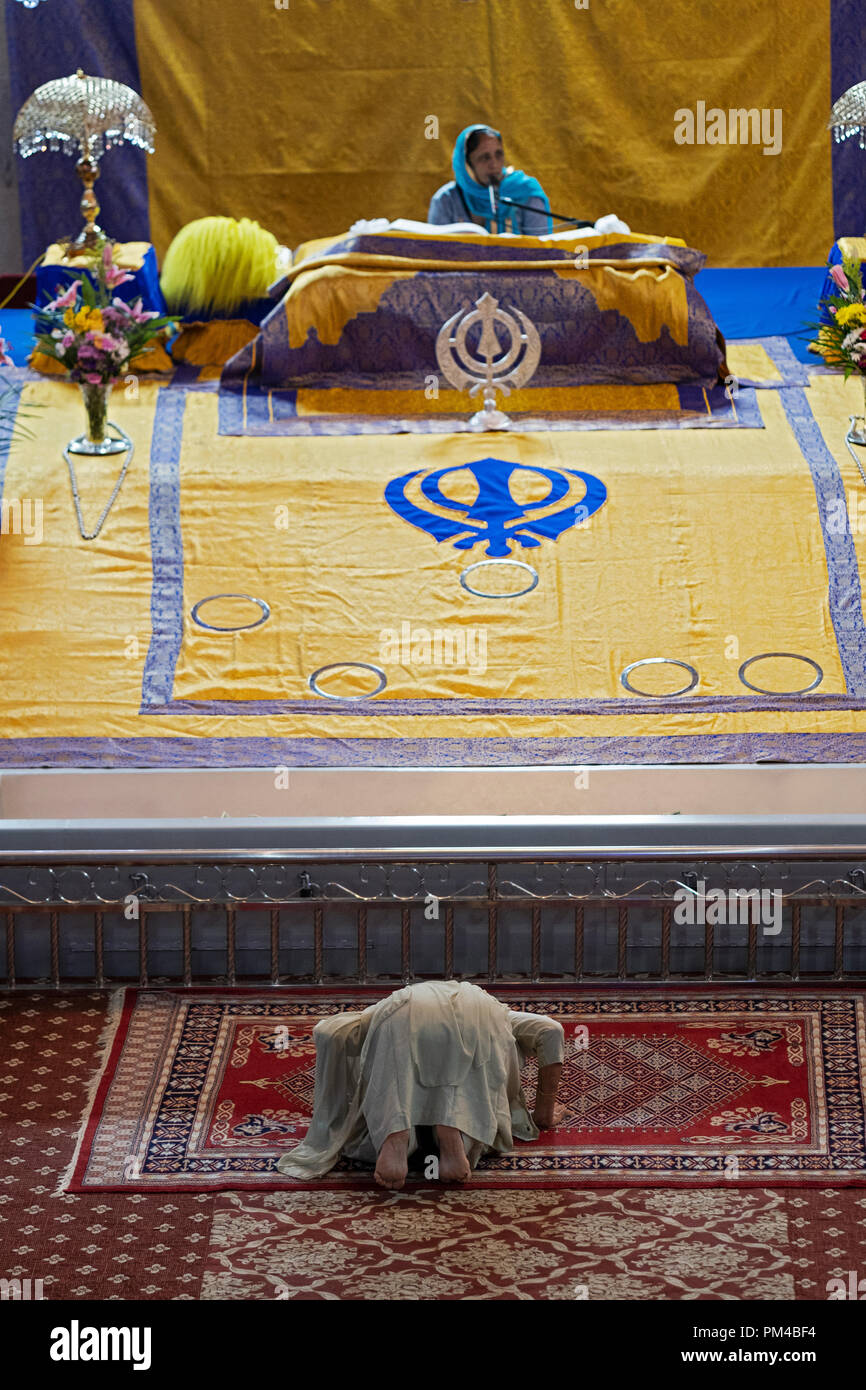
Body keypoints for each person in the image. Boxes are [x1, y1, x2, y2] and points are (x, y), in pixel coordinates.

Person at [275, 979, 565, 1189]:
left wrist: (334, 1104)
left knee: (397, 1063)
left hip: (405, 1011)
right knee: (469, 1068)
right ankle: (452, 1136)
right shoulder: (499, 1013)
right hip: (477, 1013)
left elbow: (328, 1032)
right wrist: (542, 1113)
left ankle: (396, 1134)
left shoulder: (389, 1008)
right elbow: (551, 1031)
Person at [427, 124, 553, 236]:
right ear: (466, 164)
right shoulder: (445, 200)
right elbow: (435, 253)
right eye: (484, 157)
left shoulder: (526, 192)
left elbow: (542, 252)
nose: (494, 164)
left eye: (499, 155)